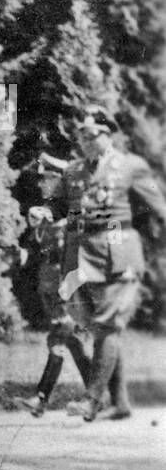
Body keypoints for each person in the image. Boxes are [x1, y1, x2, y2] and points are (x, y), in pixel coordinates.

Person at [58, 108, 166, 422]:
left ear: (109, 134)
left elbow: (160, 207)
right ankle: (120, 402)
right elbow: (74, 217)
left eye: (91, 135)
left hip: (120, 250)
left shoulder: (132, 166)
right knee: (100, 326)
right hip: (86, 253)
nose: (85, 142)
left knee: (107, 323)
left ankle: (92, 400)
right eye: (81, 136)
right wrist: (69, 262)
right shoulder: (75, 171)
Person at [12, 152, 91, 417]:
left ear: (60, 181)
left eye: (48, 178)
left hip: (66, 290)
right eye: (42, 179)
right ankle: (98, 392)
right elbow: (38, 252)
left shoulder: (70, 210)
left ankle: (41, 397)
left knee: (58, 339)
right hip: (49, 289)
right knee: (72, 344)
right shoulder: (48, 213)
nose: (42, 183)